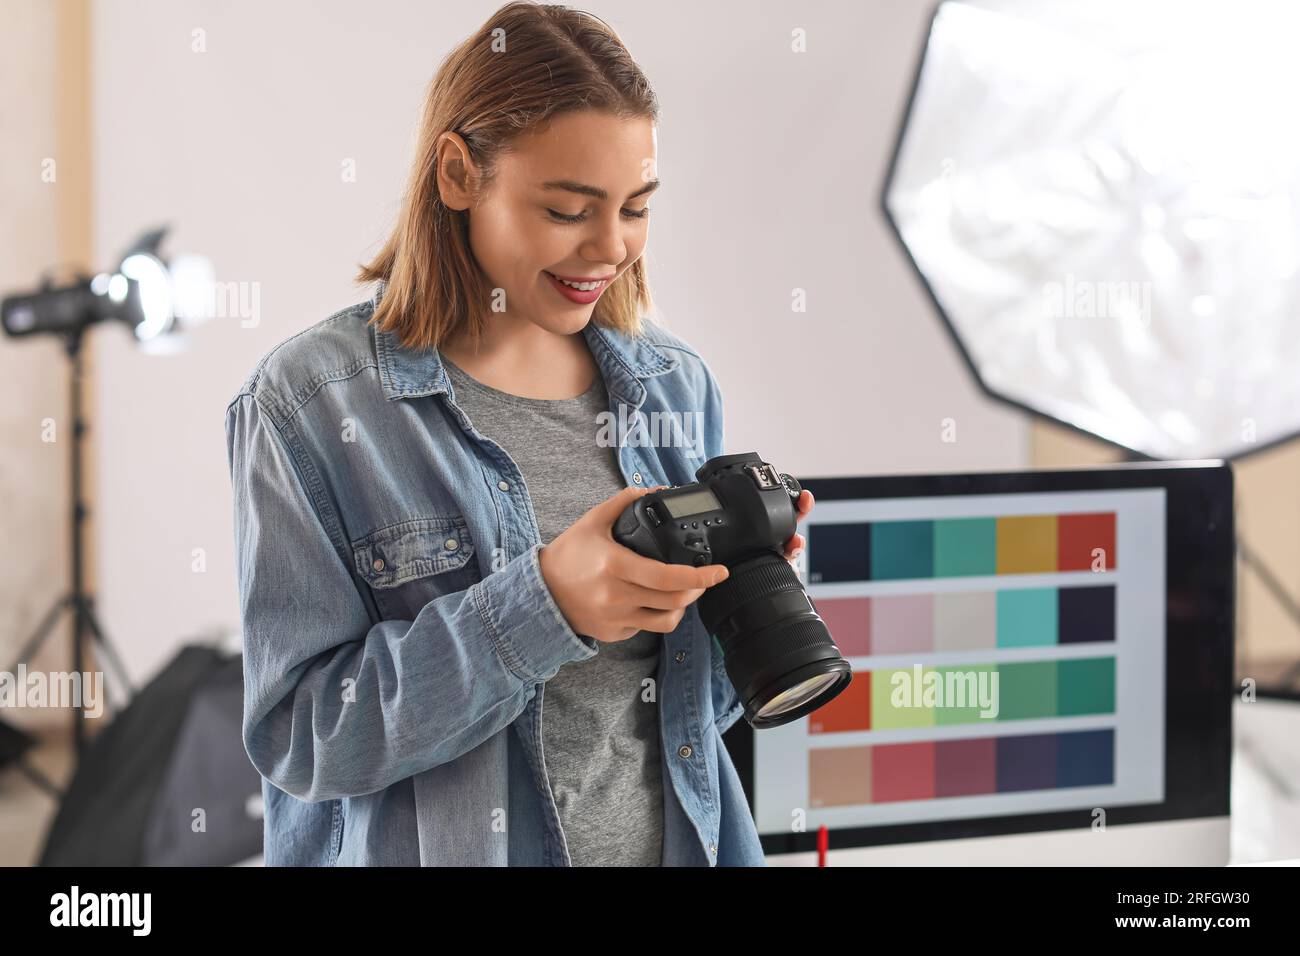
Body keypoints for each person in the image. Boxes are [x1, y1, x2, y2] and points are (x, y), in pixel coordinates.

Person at [224, 1, 812, 867]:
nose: (611, 248)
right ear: (459, 174)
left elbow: (687, 714)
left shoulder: (670, 384)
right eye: (568, 210)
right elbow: (306, 740)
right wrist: (541, 608)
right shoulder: (310, 404)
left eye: (636, 208)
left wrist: (749, 594)